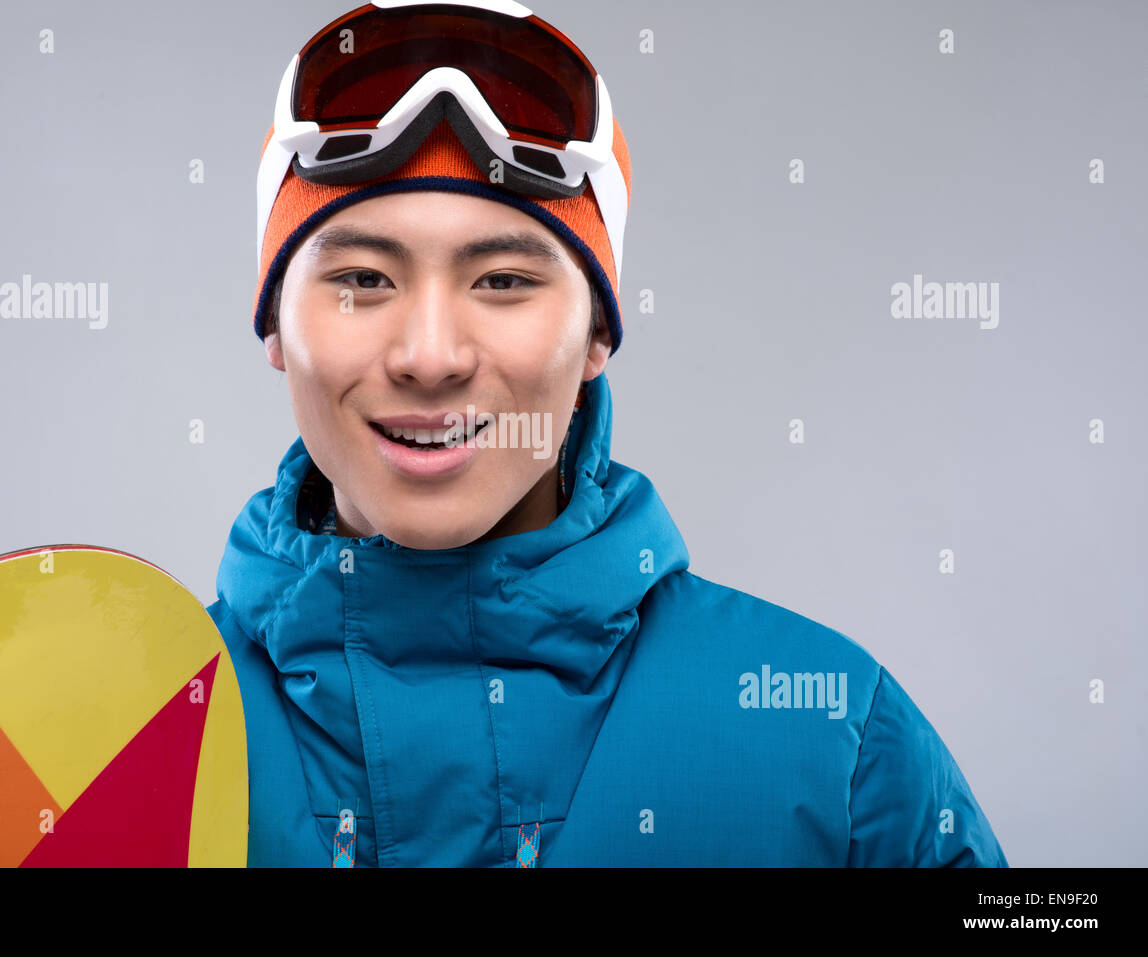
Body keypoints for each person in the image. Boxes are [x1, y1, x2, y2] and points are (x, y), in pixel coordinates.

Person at [205, 0, 1008, 867]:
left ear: (597, 336)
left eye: (504, 279)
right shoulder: (130, 744)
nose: (428, 356)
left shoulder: (834, 739)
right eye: (363, 277)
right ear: (277, 327)